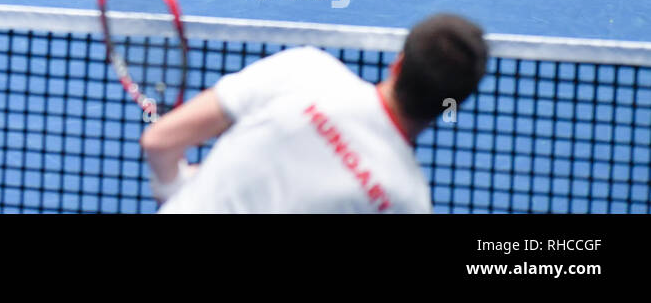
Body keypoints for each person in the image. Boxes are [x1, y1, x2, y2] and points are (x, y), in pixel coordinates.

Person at [141, 12, 488, 213]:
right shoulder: (409, 201)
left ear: (398, 63)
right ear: (454, 103)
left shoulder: (307, 69)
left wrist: (173, 186)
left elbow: (159, 141)